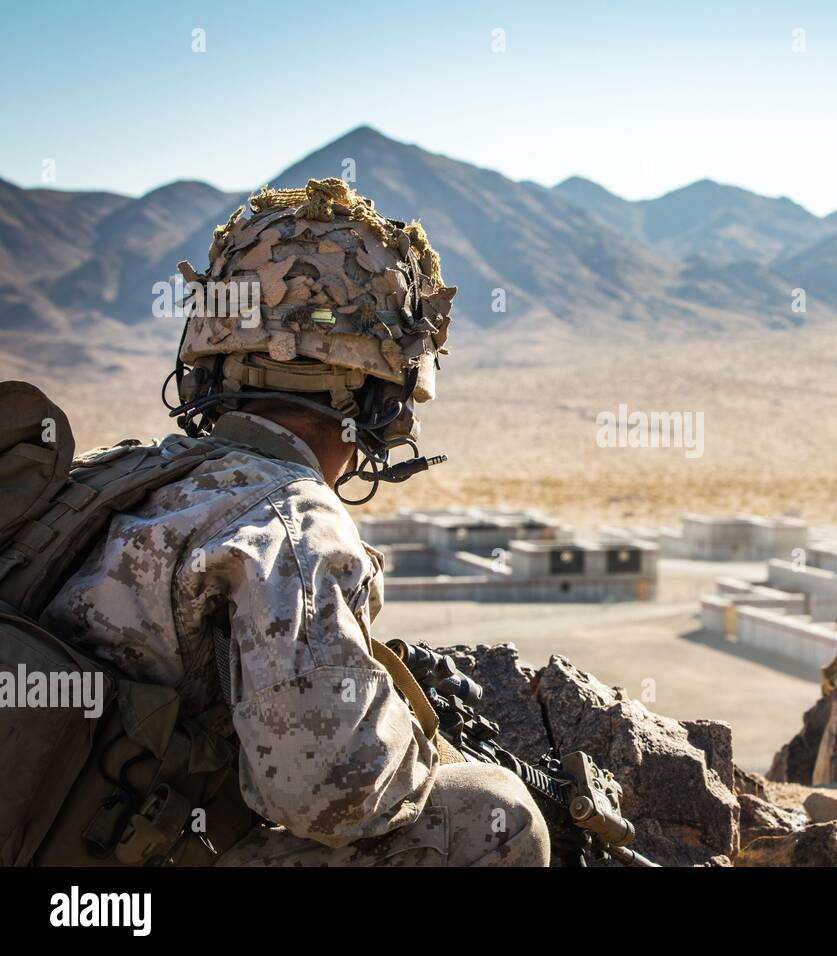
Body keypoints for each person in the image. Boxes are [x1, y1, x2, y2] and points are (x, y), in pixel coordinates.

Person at [39, 178, 549, 866]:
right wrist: (422, 746)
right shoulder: (292, 520)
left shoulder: (105, 477)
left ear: (206, 368)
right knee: (496, 815)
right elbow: (333, 797)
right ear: (382, 401)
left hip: (56, 830)